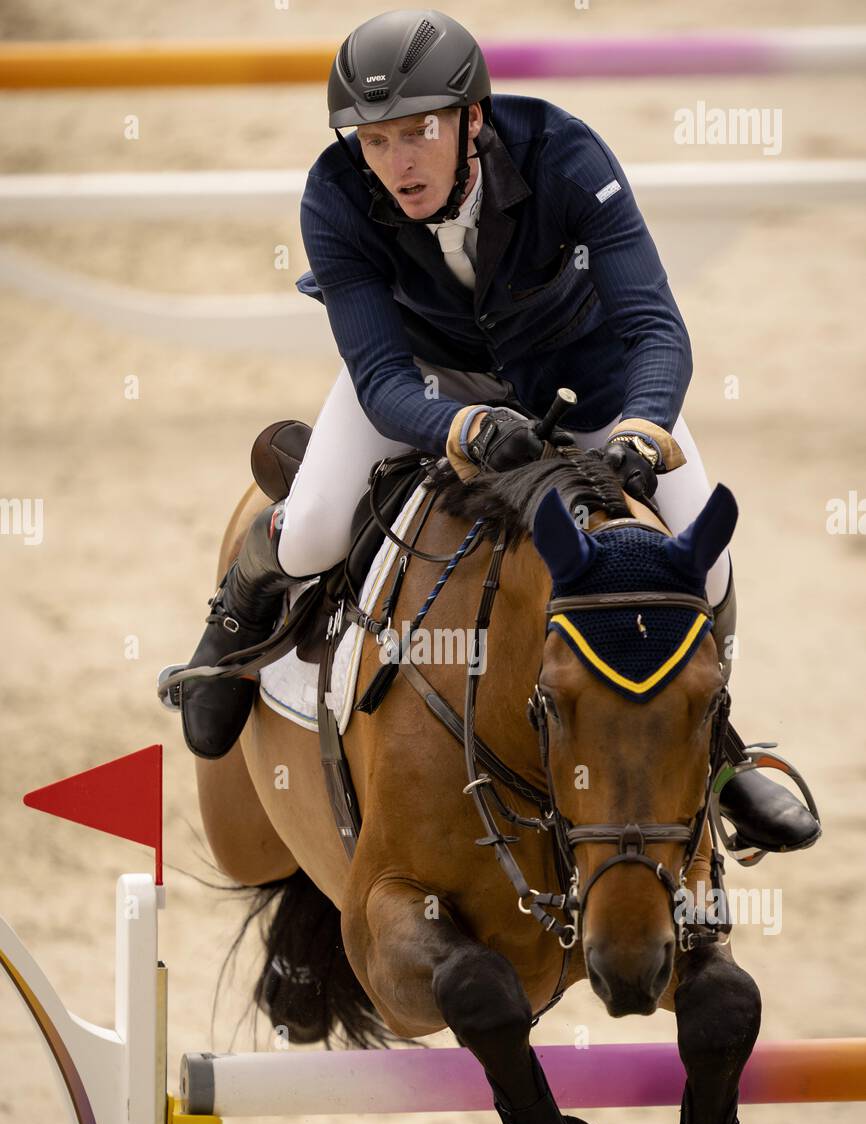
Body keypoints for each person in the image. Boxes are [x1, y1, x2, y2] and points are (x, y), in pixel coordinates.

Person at [175, 8, 817, 856]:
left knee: (710, 562)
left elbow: (656, 328)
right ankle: (239, 612)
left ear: (472, 118)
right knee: (319, 529)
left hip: (589, 384)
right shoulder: (334, 196)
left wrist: (643, 424)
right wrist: (461, 423)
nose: (396, 164)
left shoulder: (567, 155)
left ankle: (722, 756)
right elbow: (380, 380)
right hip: (425, 382)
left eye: (417, 133)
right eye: (373, 141)